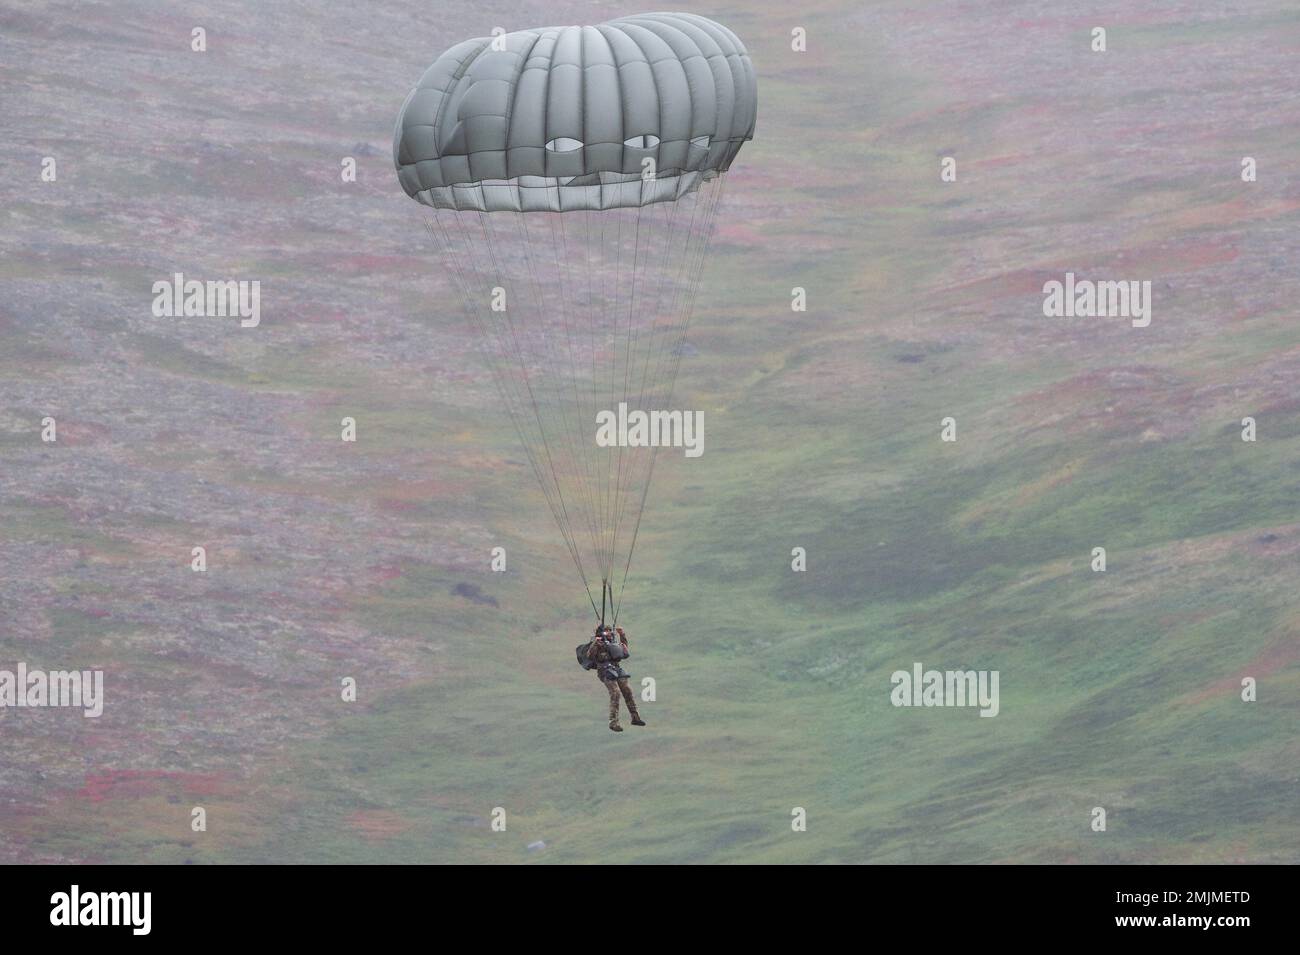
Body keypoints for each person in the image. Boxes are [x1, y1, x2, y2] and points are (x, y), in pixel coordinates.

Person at [586, 624, 645, 732]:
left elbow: (624, 649)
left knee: (628, 691)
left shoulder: (614, 642)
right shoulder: (597, 643)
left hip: (616, 669)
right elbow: (590, 656)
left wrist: (622, 634)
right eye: (606, 631)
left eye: (610, 630)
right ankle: (613, 722)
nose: (609, 633)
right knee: (615, 693)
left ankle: (635, 717)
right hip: (604, 671)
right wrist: (596, 643)